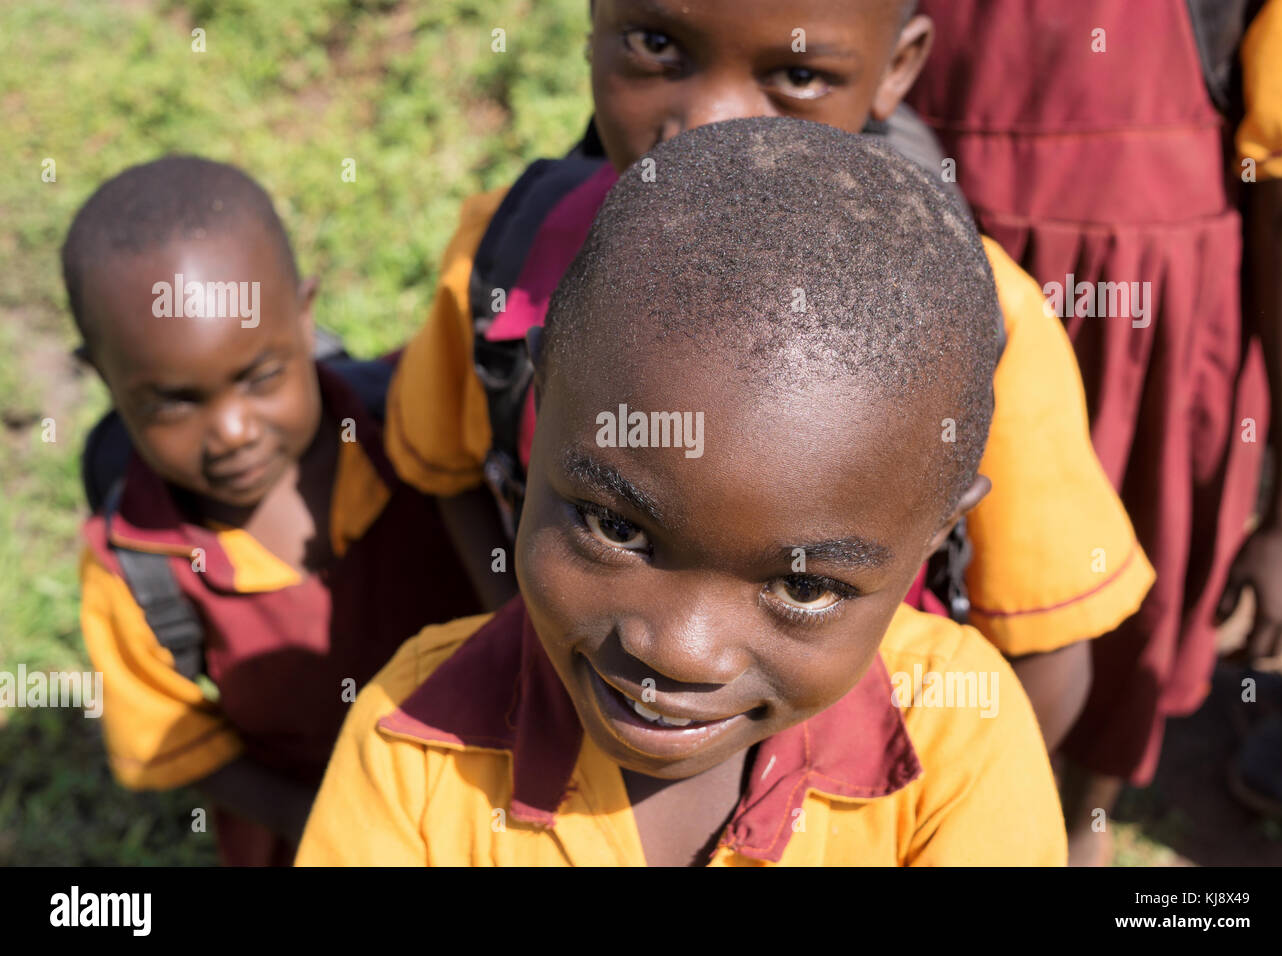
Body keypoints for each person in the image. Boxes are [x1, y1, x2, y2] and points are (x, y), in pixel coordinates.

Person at [384, 0, 1153, 770]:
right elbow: (450, 473)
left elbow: (1043, 642)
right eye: (658, 44)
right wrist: (552, 663)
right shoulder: (508, 258)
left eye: (797, 74)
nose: (711, 120)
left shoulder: (974, 329)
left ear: (897, 67)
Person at [296, 118, 1066, 867]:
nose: (678, 650)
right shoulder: (416, 739)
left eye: (802, 585)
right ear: (543, 400)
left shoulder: (959, 734)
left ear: (932, 538)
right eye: (614, 528)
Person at [907, 0, 1282, 856]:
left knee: (1126, 616)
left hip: (1157, 347)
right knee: (928, 602)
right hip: (931, 302)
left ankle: (1084, 819)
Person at [62, 156, 480, 865]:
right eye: (174, 402)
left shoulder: (412, 432)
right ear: (105, 377)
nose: (232, 431)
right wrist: (333, 821)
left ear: (305, 314)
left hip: (487, 779)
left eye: (260, 377)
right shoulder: (136, 563)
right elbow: (175, 743)